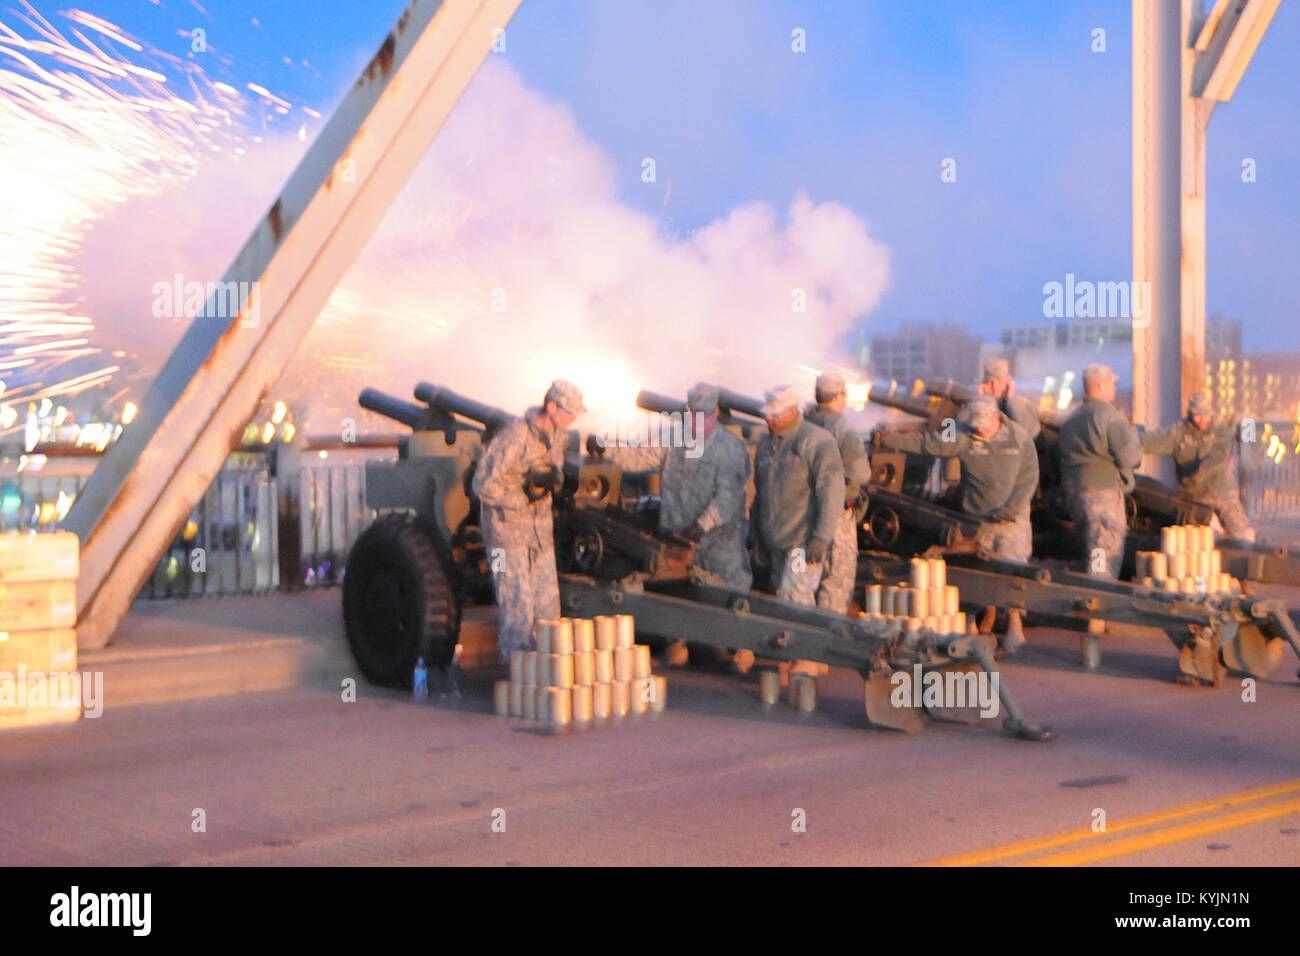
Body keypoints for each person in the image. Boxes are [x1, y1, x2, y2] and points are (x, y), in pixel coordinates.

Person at [592, 383, 753, 589]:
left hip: (719, 552)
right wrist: (605, 450)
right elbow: (641, 457)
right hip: (677, 548)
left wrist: (700, 527)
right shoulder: (674, 439)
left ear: (716, 412)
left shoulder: (731, 448)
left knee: (725, 607)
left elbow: (727, 499)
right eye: (694, 413)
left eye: (705, 414)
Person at [472, 379, 585, 660]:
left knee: (547, 606)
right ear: (551, 406)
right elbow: (482, 485)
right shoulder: (514, 437)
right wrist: (522, 498)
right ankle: (519, 673)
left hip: (539, 531)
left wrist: (555, 481)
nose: (573, 418)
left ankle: (548, 669)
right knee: (517, 607)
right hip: (507, 533)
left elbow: (550, 470)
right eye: (569, 411)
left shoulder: (558, 436)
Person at [877, 395, 1038, 562]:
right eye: (976, 424)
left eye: (984, 425)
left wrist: (1012, 509)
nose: (980, 429)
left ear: (997, 416)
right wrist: (891, 439)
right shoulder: (961, 433)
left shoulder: (1020, 438)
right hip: (976, 521)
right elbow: (929, 443)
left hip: (1011, 524)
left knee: (1012, 574)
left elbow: (1029, 477)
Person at [752, 385, 844, 606]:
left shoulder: (816, 442)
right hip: (775, 543)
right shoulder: (766, 444)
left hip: (801, 546)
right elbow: (761, 494)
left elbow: (832, 492)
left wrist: (821, 537)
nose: (768, 418)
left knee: (794, 602)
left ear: (793, 412)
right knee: (778, 601)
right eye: (767, 413)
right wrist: (757, 537)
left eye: (775, 414)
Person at [1056, 364, 1142, 577]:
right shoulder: (1108, 415)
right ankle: (1098, 600)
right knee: (1102, 559)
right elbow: (1129, 457)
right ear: (1100, 386)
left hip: (1076, 495)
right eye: (1112, 383)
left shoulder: (1070, 419)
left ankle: (1091, 591)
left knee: (1092, 554)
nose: (1115, 388)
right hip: (1103, 498)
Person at [1141, 392, 1254, 541]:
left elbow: (1219, 454)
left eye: (1205, 414)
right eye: (1197, 415)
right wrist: (1130, 441)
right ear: (1189, 414)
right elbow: (1153, 441)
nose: (1202, 420)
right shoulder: (1178, 432)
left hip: (1222, 492)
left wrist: (1201, 471)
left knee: (1241, 534)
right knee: (1200, 541)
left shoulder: (1220, 429)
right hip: (1195, 497)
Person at [804, 373, 871, 612]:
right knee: (837, 580)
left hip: (802, 512)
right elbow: (862, 474)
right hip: (836, 514)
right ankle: (826, 635)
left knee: (803, 579)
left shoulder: (804, 423)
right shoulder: (843, 428)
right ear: (838, 396)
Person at [978, 357, 1040, 440]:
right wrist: (981, 401)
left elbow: (1029, 439)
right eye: (989, 382)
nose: (993, 387)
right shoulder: (981, 405)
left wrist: (1011, 399)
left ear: (1008, 383)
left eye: (999, 381)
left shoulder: (1019, 406)